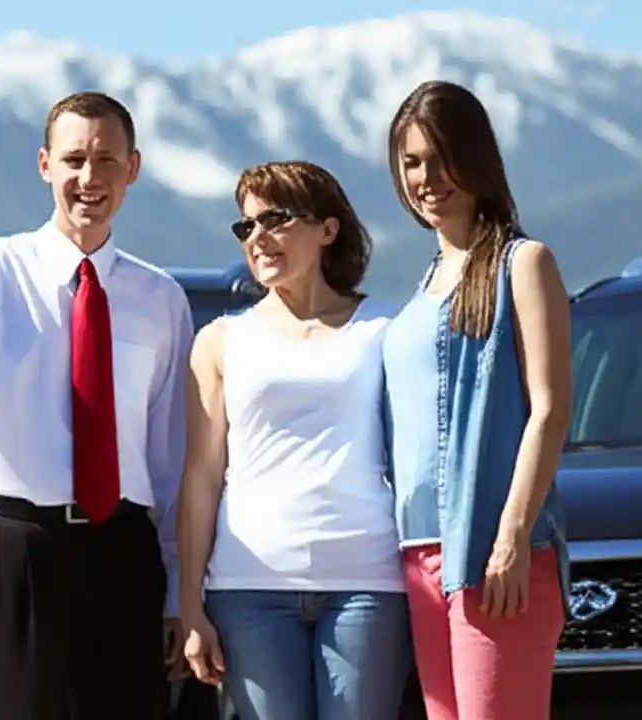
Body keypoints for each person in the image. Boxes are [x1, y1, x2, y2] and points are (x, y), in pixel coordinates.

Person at [0, 90, 191, 720]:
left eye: (106, 160)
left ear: (132, 168)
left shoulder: (160, 298)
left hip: (124, 553)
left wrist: (178, 589)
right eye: (74, 159)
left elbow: (169, 454)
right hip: (16, 547)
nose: (89, 177)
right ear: (45, 165)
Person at [178, 160, 411, 720]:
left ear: (328, 229)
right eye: (246, 226)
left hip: (367, 580)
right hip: (246, 584)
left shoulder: (388, 328)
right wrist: (189, 605)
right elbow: (202, 477)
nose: (257, 237)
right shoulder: (219, 341)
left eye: (275, 219)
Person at [380, 79, 572, 720]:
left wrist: (512, 536)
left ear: (477, 159)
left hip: (492, 551)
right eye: (412, 162)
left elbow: (549, 407)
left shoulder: (525, 263)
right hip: (418, 557)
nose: (427, 177)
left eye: (442, 158)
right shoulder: (423, 285)